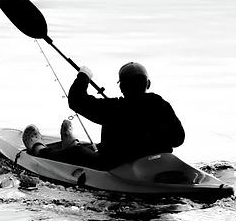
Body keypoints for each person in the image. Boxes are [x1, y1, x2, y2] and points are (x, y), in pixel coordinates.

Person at [22, 62, 185, 169]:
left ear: (121, 88)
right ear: (148, 84)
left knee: (76, 153)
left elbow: (76, 100)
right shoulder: (162, 105)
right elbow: (179, 139)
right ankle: (70, 142)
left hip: (116, 167)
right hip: (158, 165)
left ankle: (39, 150)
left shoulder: (114, 108)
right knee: (97, 147)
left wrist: (84, 76)